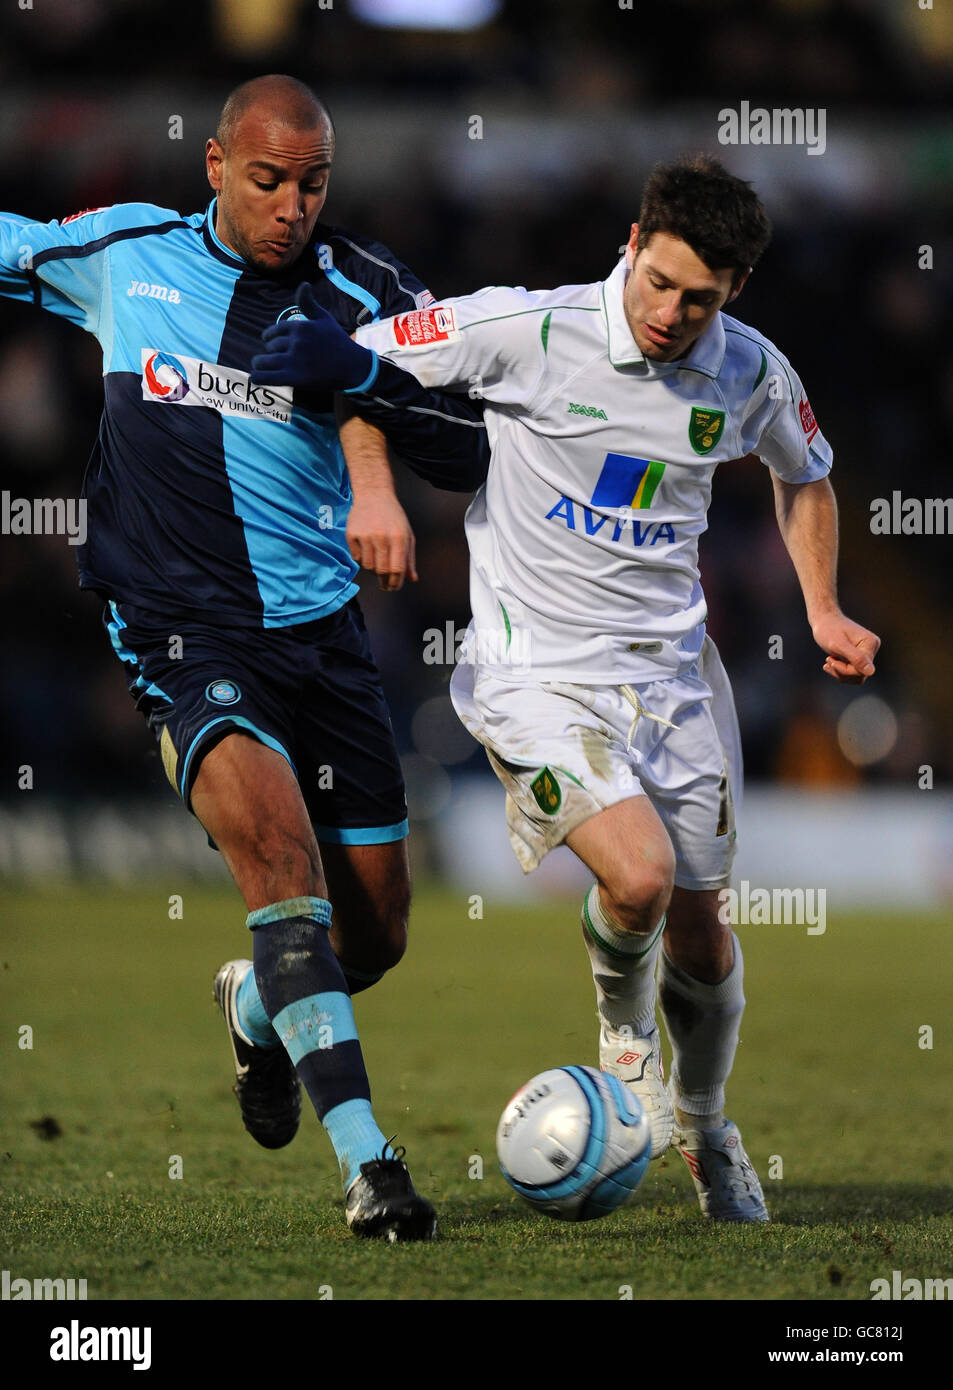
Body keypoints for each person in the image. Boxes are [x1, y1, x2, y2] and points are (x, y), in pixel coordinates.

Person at [251, 154, 881, 1222]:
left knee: (698, 928)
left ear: (733, 295)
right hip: (532, 671)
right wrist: (375, 494)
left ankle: (704, 1123)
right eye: (659, 282)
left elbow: (805, 473)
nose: (672, 314)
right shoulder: (523, 329)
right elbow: (348, 366)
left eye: (701, 299)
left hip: (673, 679)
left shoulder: (747, 370)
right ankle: (623, 1051)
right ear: (630, 244)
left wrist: (820, 607)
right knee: (632, 879)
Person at [0, 74, 489, 1242]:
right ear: (215, 167)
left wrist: (359, 374)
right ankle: (370, 1166)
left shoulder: (367, 289)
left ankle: (257, 1008)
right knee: (280, 859)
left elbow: (469, 446)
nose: (291, 208)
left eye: (312, 184)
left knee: (373, 932)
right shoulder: (125, 254)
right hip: (179, 627)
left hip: (321, 638)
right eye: (267, 181)